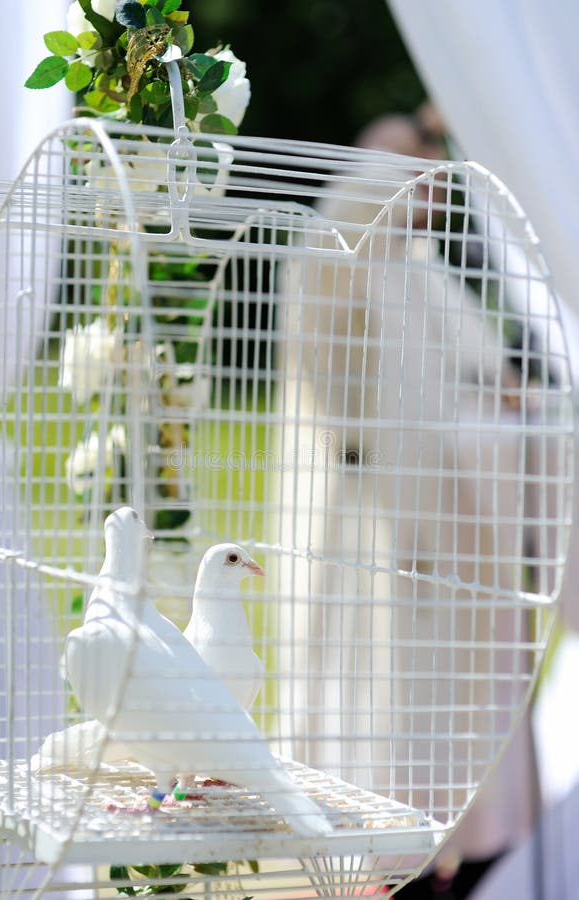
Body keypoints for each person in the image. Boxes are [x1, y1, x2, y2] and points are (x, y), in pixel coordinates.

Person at [275, 104, 542, 898]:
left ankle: (462, 839)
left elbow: (485, 371)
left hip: (449, 525)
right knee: (378, 682)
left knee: (448, 689)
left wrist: (510, 394)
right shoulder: (331, 260)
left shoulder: (416, 268)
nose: (426, 198)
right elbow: (338, 397)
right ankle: (385, 851)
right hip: (372, 525)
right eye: (411, 179)